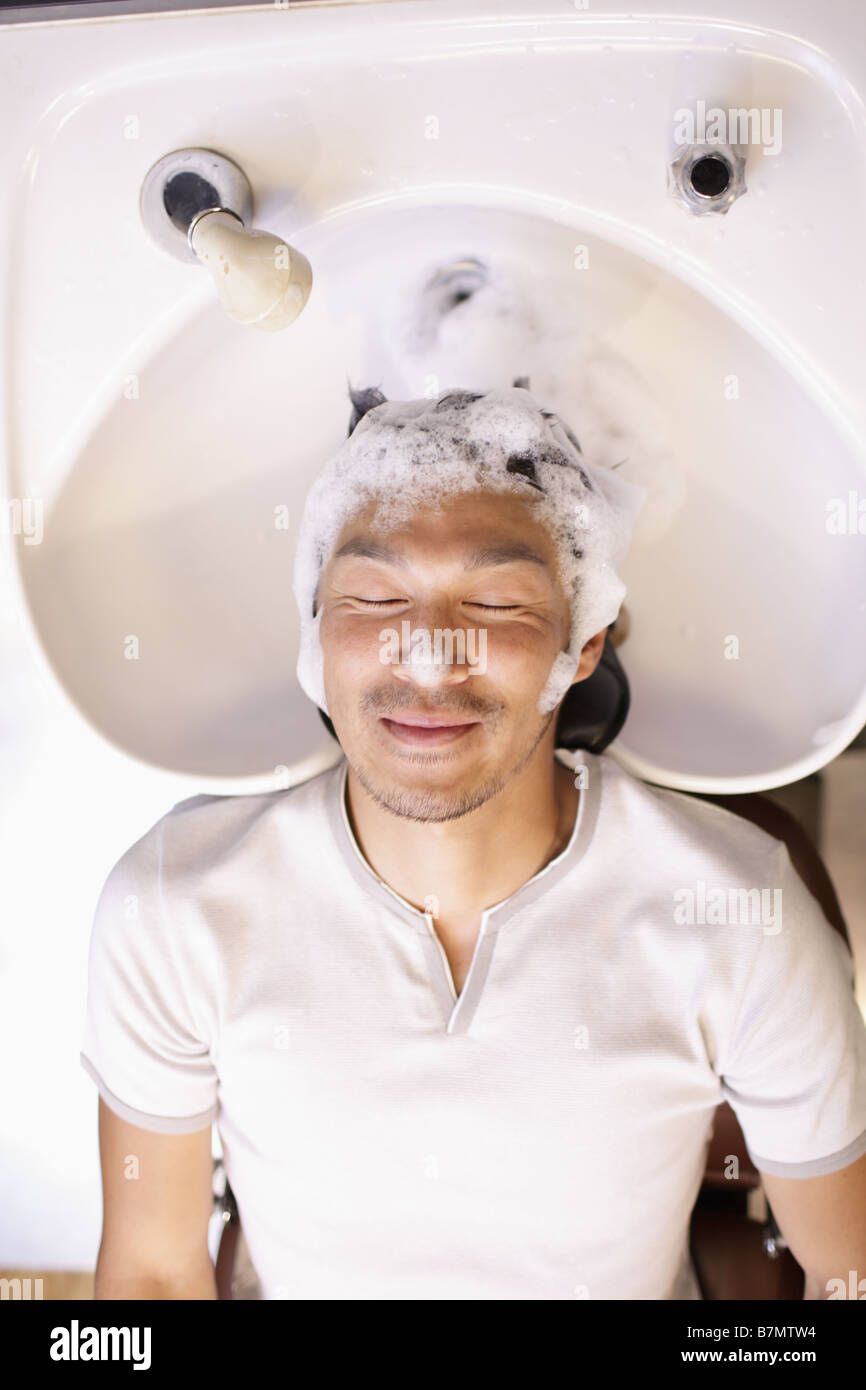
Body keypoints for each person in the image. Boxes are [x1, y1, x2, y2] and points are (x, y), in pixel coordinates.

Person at [80, 385, 866, 1300]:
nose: (424, 657)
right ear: (318, 632)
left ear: (581, 645)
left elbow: (846, 1273)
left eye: (494, 602)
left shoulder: (736, 917)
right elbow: (149, 1273)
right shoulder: (176, 906)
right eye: (375, 594)